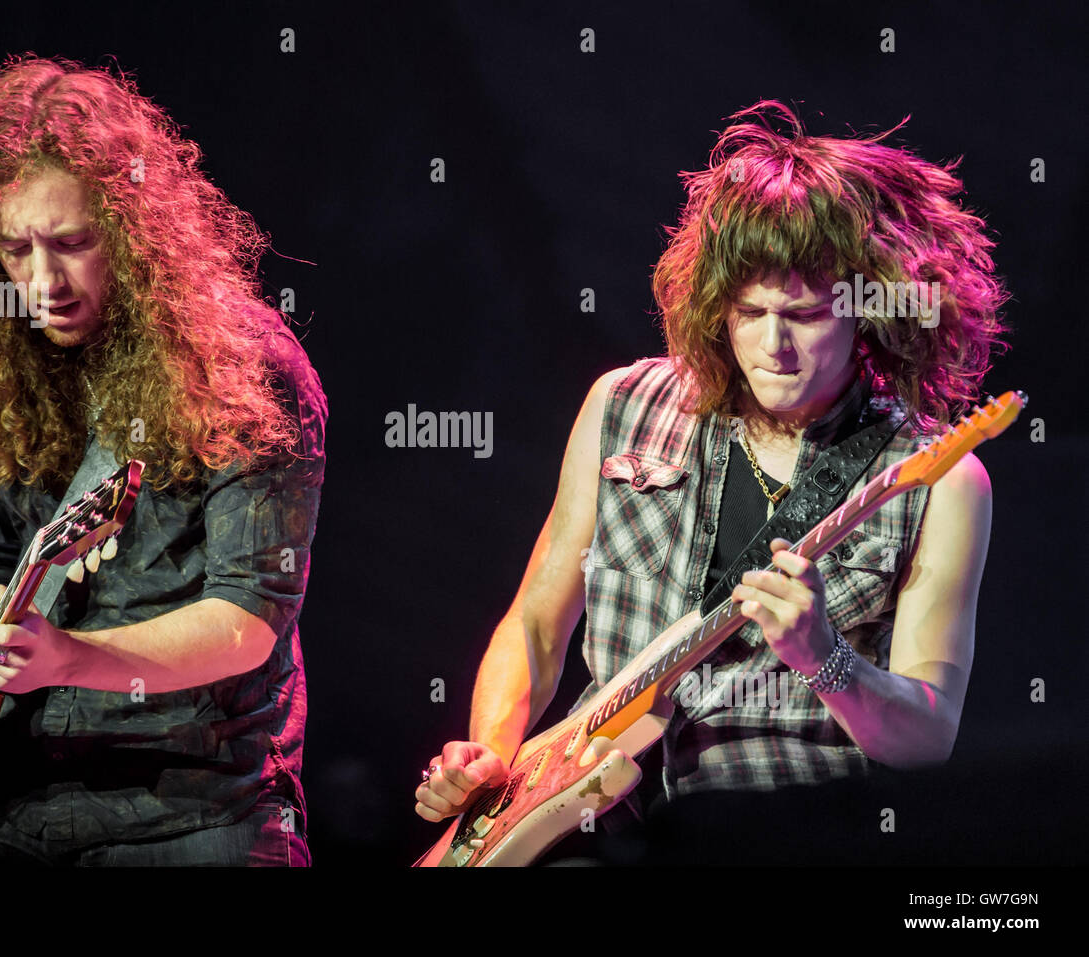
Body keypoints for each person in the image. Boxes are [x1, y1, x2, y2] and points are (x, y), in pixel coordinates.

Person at [414, 100, 1008, 862]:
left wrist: (823, 655)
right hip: (596, 818)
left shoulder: (941, 480)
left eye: (804, 314)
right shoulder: (623, 405)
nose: (774, 346)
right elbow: (534, 624)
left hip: (785, 828)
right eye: (750, 311)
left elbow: (927, 736)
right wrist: (492, 755)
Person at [0, 55, 326, 866]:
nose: (41, 282)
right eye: (13, 249)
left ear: (135, 233)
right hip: (18, 810)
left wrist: (68, 658)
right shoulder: (2, 361)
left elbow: (248, 622)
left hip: (198, 815)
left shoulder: (244, 365)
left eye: (70, 243)